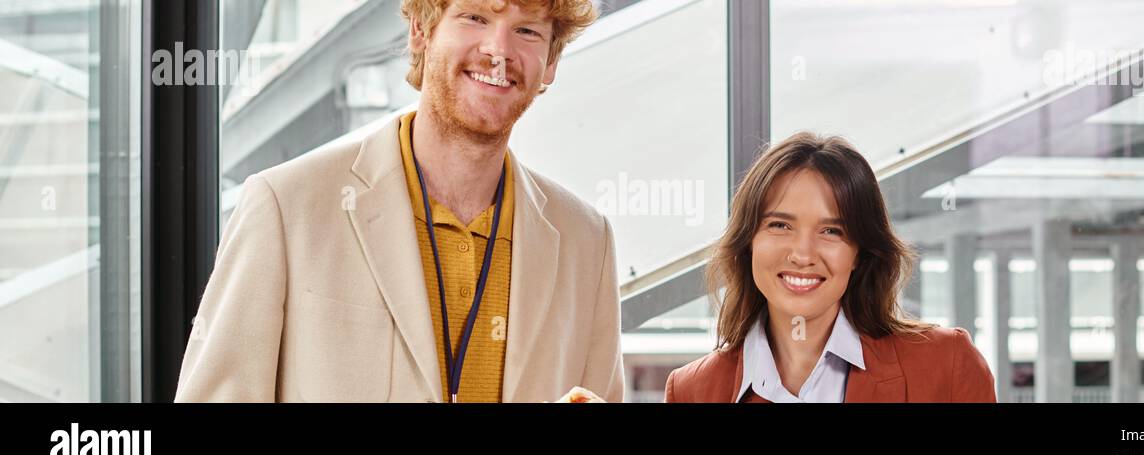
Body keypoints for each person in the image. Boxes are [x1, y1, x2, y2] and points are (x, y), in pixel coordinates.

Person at [175, 0, 624, 403]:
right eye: (475, 17)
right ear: (420, 31)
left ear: (551, 61)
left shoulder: (588, 241)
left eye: (528, 31)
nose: (498, 50)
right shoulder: (285, 206)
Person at [665, 133, 995, 403]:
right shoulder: (692, 391)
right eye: (780, 225)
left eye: (831, 231)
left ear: (859, 253)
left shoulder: (945, 365)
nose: (803, 254)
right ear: (748, 241)